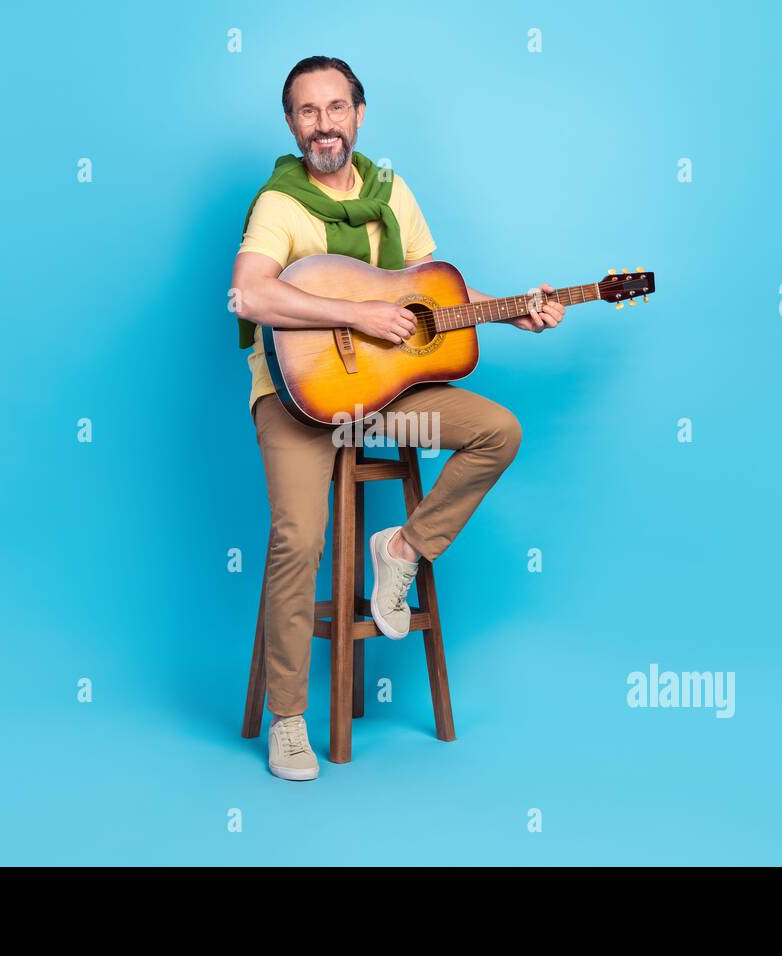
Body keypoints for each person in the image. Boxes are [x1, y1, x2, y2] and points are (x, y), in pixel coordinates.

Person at [230, 56, 564, 780]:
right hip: (300, 400)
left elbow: (433, 295)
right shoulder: (279, 205)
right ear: (292, 124)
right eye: (308, 112)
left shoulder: (390, 193)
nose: (324, 125)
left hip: (383, 401)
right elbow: (251, 297)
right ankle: (290, 720)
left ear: (359, 113)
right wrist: (356, 314)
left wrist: (515, 313)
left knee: (498, 430)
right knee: (299, 537)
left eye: (337, 108)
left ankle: (403, 549)